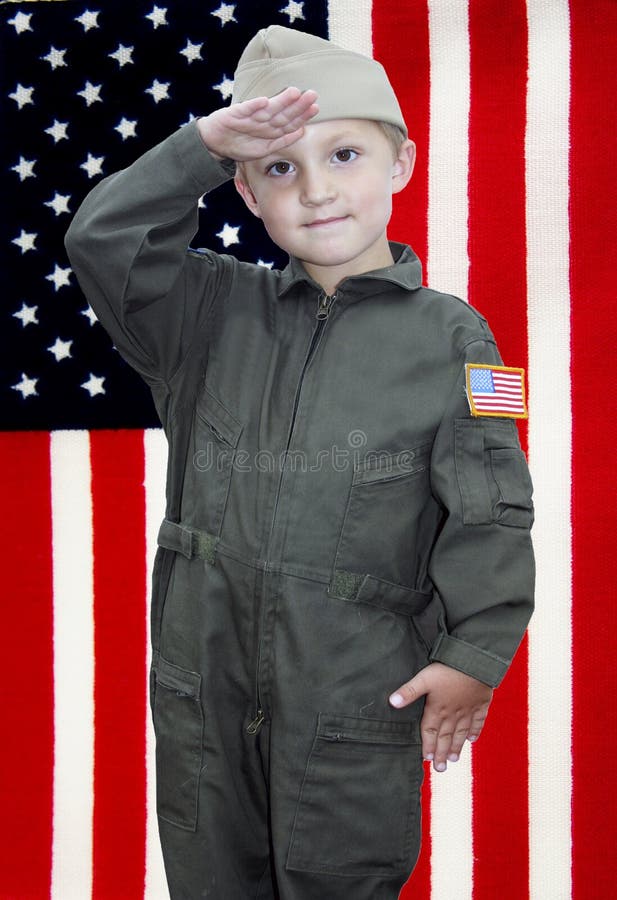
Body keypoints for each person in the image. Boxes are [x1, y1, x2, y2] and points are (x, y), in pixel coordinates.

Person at [65, 25, 534, 900]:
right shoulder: (201, 312)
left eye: (345, 154)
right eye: (280, 167)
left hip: (352, 699)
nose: (317, 191)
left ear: (400, 164)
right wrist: (200, 147)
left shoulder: (457, 338)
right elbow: (102, 242)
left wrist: (477, 649)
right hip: (203, 688)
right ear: (243, 189)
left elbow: (492, 506)